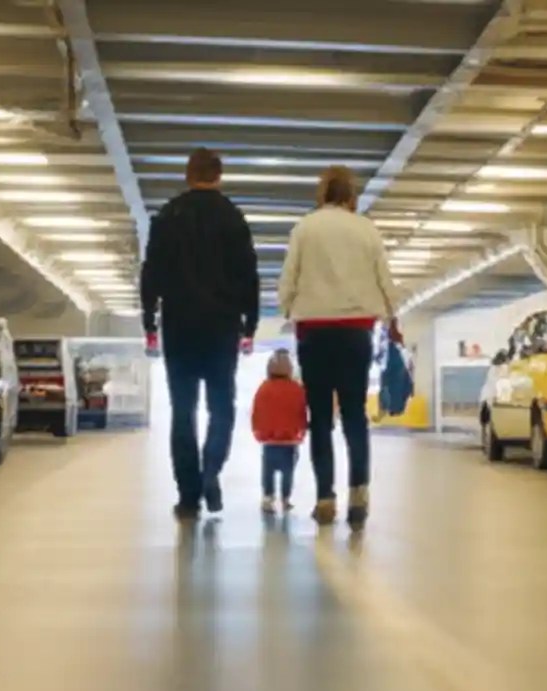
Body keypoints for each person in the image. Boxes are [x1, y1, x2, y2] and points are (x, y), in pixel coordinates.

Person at [278, 165, 400, 528]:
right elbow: (384, 277)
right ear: (351, 196)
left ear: (322, 193)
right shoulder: (366, 230)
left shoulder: (305, 228)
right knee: (353, 416)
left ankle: (325, 497)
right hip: (355, 333)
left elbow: (289, 278)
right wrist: (394, 316)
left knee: (319, 420)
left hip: (314, 333)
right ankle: (359, 495)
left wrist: (288, 308)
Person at [141, 148, 260, 520]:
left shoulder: (168, 216)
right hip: (222, 326)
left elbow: (151, 271)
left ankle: (189, 495)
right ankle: (211, 470)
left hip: (179, 324)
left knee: (183, 410)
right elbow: (249, 275)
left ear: (188, 174)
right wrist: (250, 324)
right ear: (219, 176)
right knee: (222, 407)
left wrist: (149, 320)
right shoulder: (233, 217)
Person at [251, 349, 307, 514]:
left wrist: (257, 430)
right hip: (290, 440)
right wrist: (301, 430)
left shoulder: (264, 388)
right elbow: (301, 412)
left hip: (269, 440)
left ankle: (268, 496)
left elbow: (257, 412)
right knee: (288, 471)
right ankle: (286, 497)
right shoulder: (297, 389)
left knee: (267, 470)